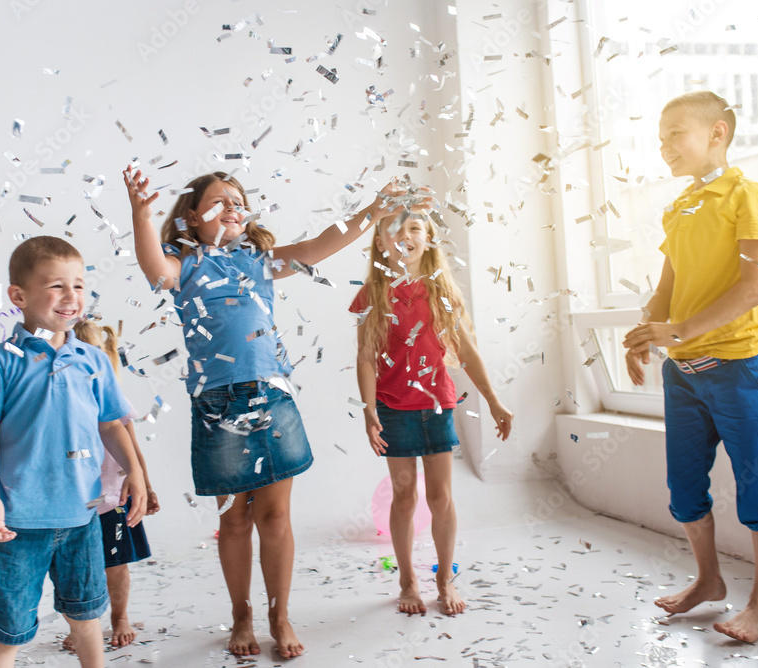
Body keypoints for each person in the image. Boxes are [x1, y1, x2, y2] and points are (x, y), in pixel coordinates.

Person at [124, 166, 410, 658]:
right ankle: (242, 615)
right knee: (235, 520)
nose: (233, 209)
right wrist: (140, 216)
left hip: (272, 397)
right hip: (218, 405)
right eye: (219, 202)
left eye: (239, 202)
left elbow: (319, 245)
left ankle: (280, 615)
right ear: (191, 217)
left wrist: (372, 211)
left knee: (275, 517)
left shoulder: (258, 260)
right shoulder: (185, 264)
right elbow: (156, 270)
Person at [624, 90, 758, 643]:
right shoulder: (679, 208)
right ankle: (708, 579)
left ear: (718, 132)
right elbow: (667, 289)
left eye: (675, 133)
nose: (664, 146)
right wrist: (645, 332)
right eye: (660, 138)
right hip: (683, 376)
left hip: (742, 371)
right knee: (684, 489)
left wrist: (677, 331)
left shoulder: (750, 197)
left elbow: (756, 286)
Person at [0, 236, 146, 667]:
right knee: (8, 629)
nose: (71, 296)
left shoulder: (93, 360)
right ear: (19, 296)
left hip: (82, 518)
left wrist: (134, 471)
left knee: (86, 618)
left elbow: (111, 424)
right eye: (57, 286)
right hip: (17, 525)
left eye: (78, 285)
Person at [351, 210, 513, 616]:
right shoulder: (372, 294)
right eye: (394, 230)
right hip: (393, 409)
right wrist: (369, 410)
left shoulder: (441, 291)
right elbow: (366, 357)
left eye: (414, 228)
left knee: (441, 497)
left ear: (428, 240)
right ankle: (407, 580)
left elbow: (466, 352)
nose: (404, 235)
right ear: (380, 243)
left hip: (437, 406)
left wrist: (493, 400)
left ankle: (445, 579)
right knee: (405, 496)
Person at [66, 319, 160, 650]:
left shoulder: (114, 402)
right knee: (73, 568)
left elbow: (133, 451)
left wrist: (146, 486)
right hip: (73, 503)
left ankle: (120, 617)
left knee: (115, 565)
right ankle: (80, 624)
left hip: (113, 498)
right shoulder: (62, 401)